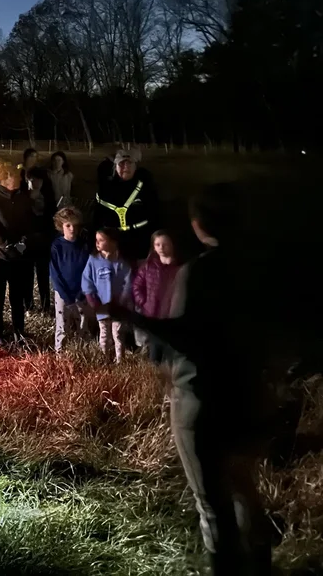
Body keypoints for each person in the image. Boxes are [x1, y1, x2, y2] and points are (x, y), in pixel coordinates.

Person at [106, 184, 273, 574]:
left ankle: (229, 566)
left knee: (211, 501)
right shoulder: (261, 267)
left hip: (202, 396)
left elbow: (184, 336)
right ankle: (262, 563)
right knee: (244, 486)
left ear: (197, 226)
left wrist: (128, 315)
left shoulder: (197, 273)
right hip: (250, 391)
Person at [0, 160, 34, 346]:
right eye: (15, 174)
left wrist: (22, 244)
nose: (19, 177)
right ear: (4, 178)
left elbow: (29, 223)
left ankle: (19, 334)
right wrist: (7, 246)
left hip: (17, 255)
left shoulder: (22, 197)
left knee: (17, 298)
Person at [93, 148, 160, 263]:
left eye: (129, 163)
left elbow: (156, 216)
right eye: (121, 164)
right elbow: (97, 217)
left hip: (140, 244)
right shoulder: (105, 190)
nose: (125, 167)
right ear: (115, 166)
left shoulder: (146, 188)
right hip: (113, 245)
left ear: (135, 166)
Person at [81, 228, 133, 363]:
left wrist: (123, 299)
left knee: (118, 334)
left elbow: (129, 281)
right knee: (104, 333)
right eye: (96, 240)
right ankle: (104, 359)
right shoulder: (93, 260)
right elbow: (87, 280)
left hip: (118, 307)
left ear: (113, 242)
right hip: (101, 306)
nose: (97, 243)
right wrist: (92, 299)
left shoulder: (121, 262)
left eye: (101, 240)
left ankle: (120, 361)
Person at [131, 230, 182, 361]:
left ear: (172, 245)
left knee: (171, 356)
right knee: (155, 356)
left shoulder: (179, 268)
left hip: (172, 318)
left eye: (165, 244)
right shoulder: (148, 266)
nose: (161, 248)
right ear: (153, 247)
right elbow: (137, 286)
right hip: (153, 318)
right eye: (158, 244)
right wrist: (143, 302)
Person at [49, 207, 92, 352]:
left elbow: (88, 270)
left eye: (74, 225)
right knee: (62, 325)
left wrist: (82, 291)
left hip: (81, 293)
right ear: (61, 226)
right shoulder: (57, 246)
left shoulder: (84, 245)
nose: (72, 228)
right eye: (68, 225)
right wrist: (64, 293)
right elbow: (55, 273)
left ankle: (83, 353)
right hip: (62, 293)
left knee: (83, 324)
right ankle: (60, 353)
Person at [26, 166, 56, 313]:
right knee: (27, 275)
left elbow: (52, 220)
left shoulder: (49, 198)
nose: (35, 182)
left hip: (44, 241)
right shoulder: (22, 197)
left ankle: (45, 305)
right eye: (32, 179)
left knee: (43, 275)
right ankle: (28, 305)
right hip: (27, 242)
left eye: (38, 180)